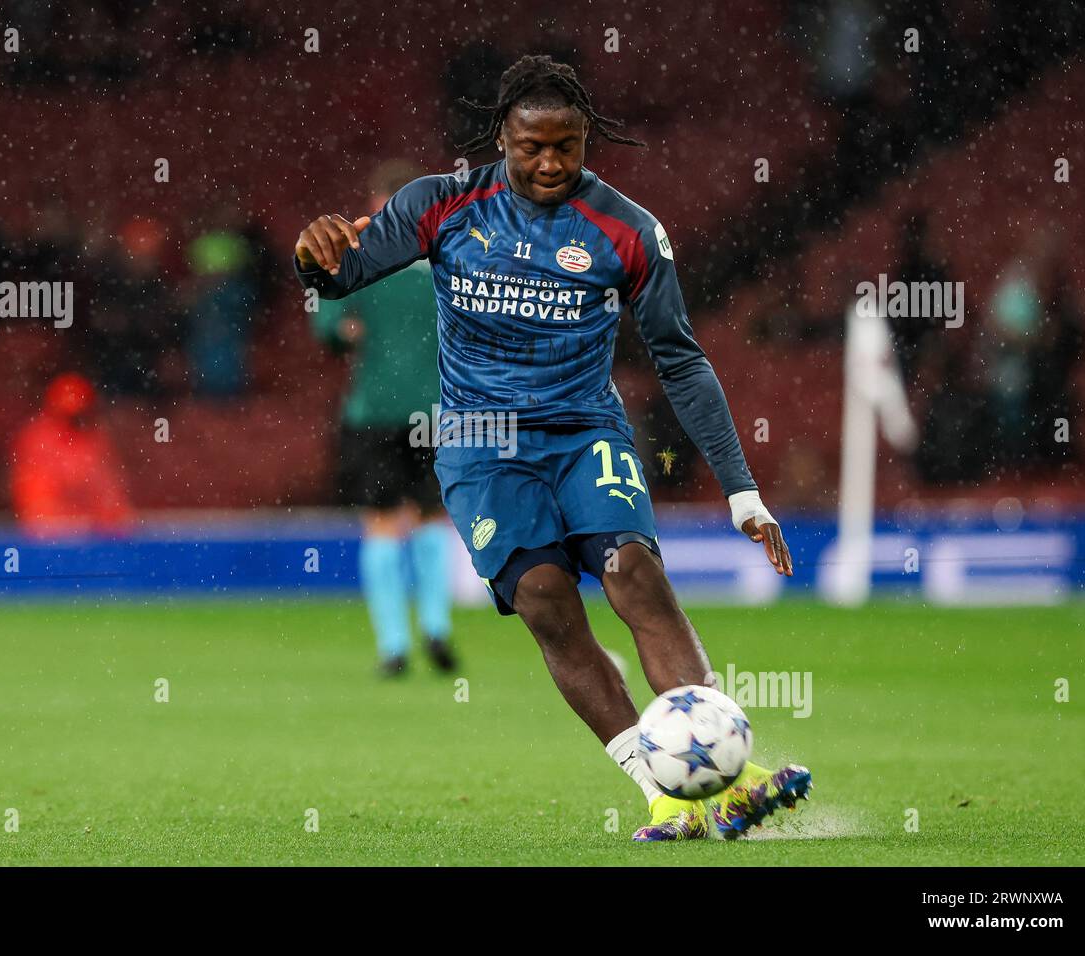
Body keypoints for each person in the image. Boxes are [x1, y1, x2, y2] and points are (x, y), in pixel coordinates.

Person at [293, 55, 808, 842]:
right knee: (544, 602)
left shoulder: (628, 230)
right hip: (480, 444)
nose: (548, 163)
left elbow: (680, 356)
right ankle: (664, 793)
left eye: (566, 146)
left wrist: (742, 490)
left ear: (587, 141)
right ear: (500, 136)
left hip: (584, 432)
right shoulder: (441, 205)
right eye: (531, 145)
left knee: (634, 575)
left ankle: (733, 779)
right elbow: (340, 276)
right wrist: (311, 251)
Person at [311, 160, 458, 677]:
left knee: (379, 524)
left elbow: (332, 330)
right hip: (439, 407)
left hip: (373, 409)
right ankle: (437, 630)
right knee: (433, 517)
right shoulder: (450, 252)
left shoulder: (355, 256)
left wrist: (353, 328)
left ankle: (394, 646)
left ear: (375, 201)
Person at [10, 372, 135, 537]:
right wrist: (80, 522)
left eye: (81, 415)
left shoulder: (96, 441)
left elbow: (114, 504)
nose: (76, 424)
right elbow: (37, 511)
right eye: (68, 416)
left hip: (93, 538)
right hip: (51, 541)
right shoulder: (38, 441)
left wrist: (102, 519)